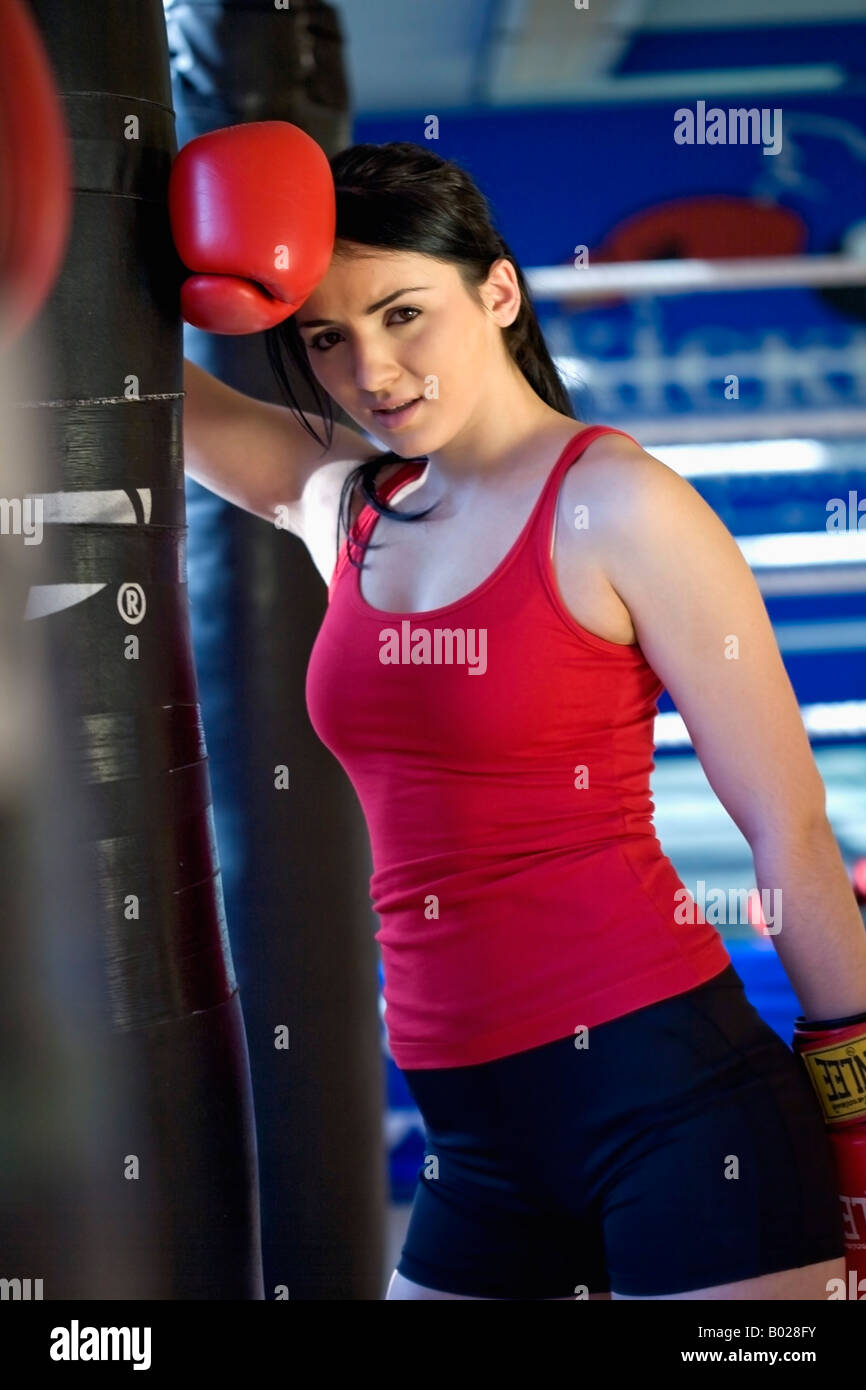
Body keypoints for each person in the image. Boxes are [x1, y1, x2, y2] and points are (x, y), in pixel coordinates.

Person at [178, 133, 866, 1301]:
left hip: (672, 1101)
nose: (370, 371)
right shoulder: (344, 506)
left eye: (403, 314)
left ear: (496, 290)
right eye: (326, 337)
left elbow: (786, 829)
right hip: (475, 1138)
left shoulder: (618, 503)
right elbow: (143, 382)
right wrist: (121, 207)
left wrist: (854, 1118)